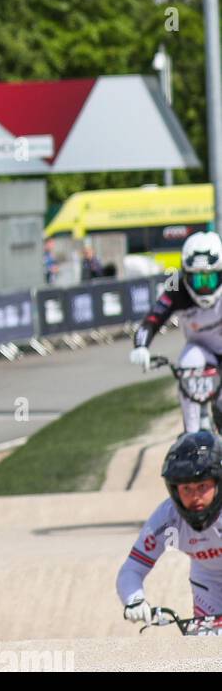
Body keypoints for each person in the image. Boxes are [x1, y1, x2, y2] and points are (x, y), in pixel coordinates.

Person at [118, 429, 222, 626]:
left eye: (202, 486)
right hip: (207, 583)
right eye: (186, 489)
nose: (195, 496)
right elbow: (131, 569)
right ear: (174, 490)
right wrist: (134, 600)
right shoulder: (167, 518)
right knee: (207, 648)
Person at [130, 232, 222, 433]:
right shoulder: (175, 289)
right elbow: (153, 318)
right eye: (198, 280)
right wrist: (141, 346)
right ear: (186, 276)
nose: (204, 287)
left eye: (210, 279)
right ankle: (192, 433)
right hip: (202, 351)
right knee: (187, 361)